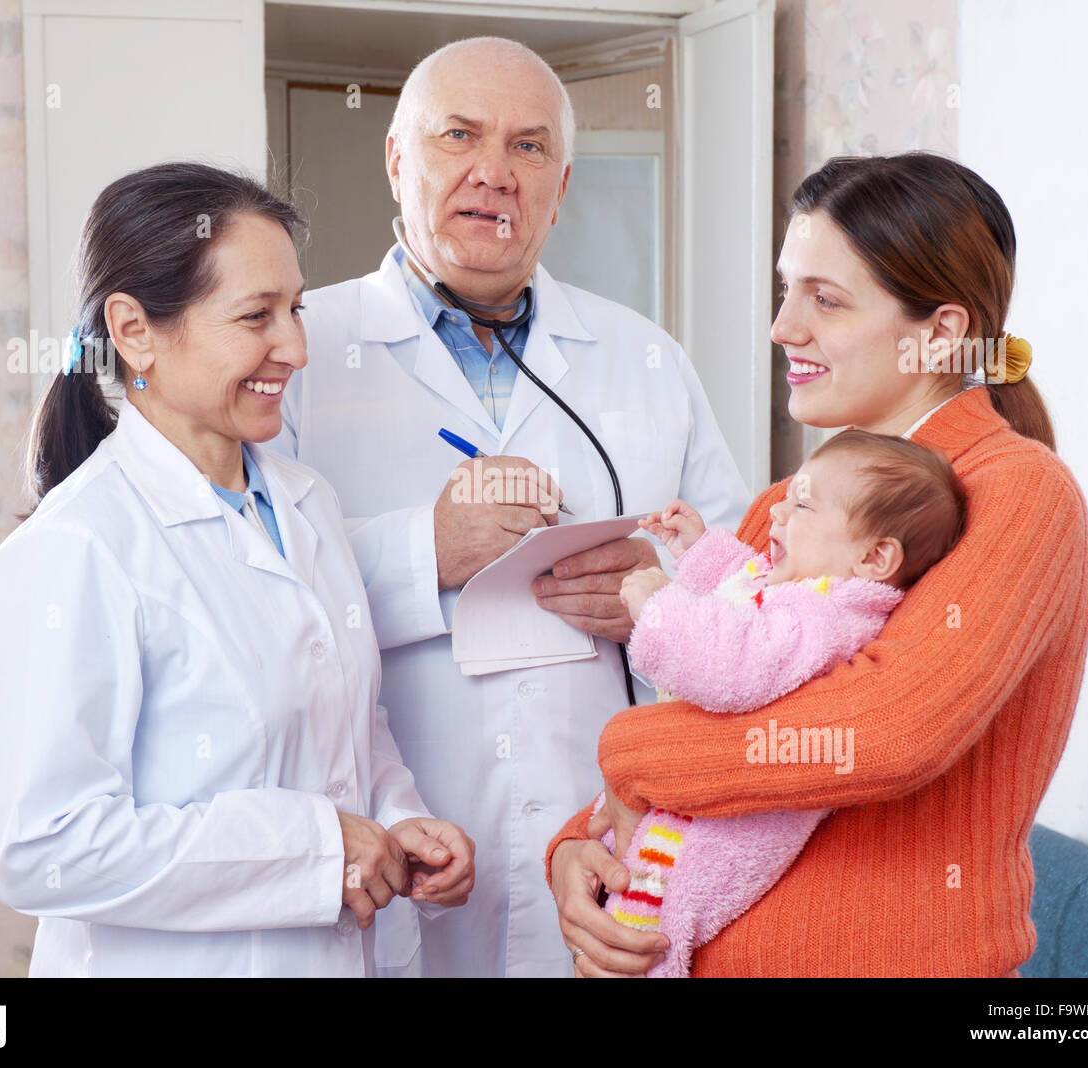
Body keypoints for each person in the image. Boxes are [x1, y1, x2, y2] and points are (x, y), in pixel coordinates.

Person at [547, 151, 1088, 978]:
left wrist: (629, 754)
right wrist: (576, 850)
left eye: (825, 300)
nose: (782, 328)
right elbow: (720, 701)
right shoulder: (785, 507)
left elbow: (882, 734)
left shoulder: (1020, 493)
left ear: (940, 333)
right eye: (785, 290)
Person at [270, 36, 749, 977]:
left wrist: (664, 601)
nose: (495, 173)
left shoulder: (644, 355)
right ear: (398, 159)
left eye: (529, 148)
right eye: (459, 136)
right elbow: (244, 592)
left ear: (562, 185)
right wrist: (425, 551)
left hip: (602, 847)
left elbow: (748, 574)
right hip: (390, 841)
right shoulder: (296, 350)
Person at [0, 162, 474, 978]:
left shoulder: (307, 505)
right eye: (257, 317)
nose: (298, 348)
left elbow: (348, 729)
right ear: (134, 330)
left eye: (297, 309)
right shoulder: (76, 551)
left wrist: (395, 820)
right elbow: (43, 845)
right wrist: (312, 847)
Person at [598, 431, 965, 977]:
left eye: (802, 505)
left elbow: (734, 663)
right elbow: (747, 594)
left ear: (874, 556)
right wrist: (699, 551)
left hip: (734, 827)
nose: (777, 509)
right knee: (622, 887)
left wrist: (659, 609)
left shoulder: (834, 617)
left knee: (655, 921)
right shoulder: (809, 589)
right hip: (694, 792)